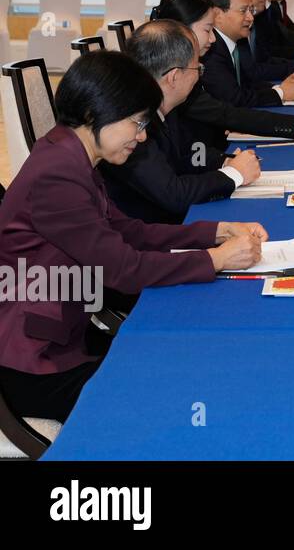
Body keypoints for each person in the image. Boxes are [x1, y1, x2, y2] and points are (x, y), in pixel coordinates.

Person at [0, 50, 265, 422]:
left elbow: (128, 231)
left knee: (180, 360)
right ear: (96, 113)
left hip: (66, 334)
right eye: (137, 124)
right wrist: (216, 259)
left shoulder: (70, 154)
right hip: (35, 363)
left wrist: (215, 233)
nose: (141, 138)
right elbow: (124, 269)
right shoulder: (57, 174)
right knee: (175, 397)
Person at [100, 20, 260, 224]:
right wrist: (234, 174)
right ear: (174, 77)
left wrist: (224, 160)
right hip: (150, 233)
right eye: (197, 69)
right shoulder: (131, 124)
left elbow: (187, 154)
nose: (199, 76)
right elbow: (174, 195)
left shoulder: (165, 106)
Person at [151, 0, 294, 167]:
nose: (213, 38)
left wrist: (224, 159)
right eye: (208, 29)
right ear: (181, 31)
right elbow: (225, 113)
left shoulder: (193, 64)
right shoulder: (178, 79)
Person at [202, 0, 294, 108]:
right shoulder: (211, 50)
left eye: (251, 10)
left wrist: (279, 88)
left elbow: (247, 83)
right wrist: (281, 93)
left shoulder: (233, 42)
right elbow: (234, 99)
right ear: (218, 14)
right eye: (243, 11)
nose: (250, 18)